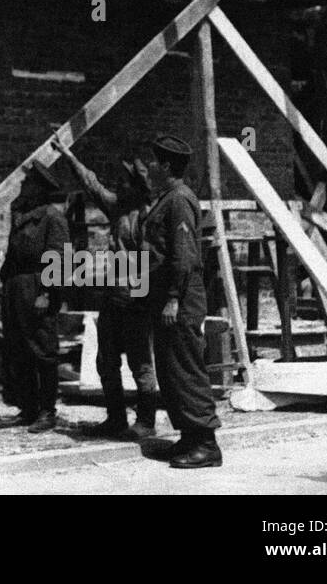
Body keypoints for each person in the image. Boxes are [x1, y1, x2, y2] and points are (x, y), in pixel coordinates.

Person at [54, 139, 159, 439]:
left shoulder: (146, 216)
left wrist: (143, 298)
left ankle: (146, 422)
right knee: (106, 361)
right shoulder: (118, 208)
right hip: (113, 295)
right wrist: (68, 154)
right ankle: (116, 418)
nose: (118, 185)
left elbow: (151, 262)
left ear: (136, 184)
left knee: (140, 363)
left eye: (124, 181)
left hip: (135, 295)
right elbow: (91, 184)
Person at [142, 133, 222, 468]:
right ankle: (189, 438)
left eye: (153, 162)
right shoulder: (167, 198)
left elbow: (185, 256)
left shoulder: (179, 200)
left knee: (186, 369)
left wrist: (173, 298)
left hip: (181, 299)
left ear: (166, 165)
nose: (148, 167)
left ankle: (206, 444)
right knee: (171, 371)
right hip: (165, 297)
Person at [0, 160, 70, 432]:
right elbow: (11, 252)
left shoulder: (52, 217)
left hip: (38, 286)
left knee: (42, 351)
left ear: (38, 189)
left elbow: (59, 260)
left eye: (27, 183)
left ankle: (47, 411)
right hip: (16, 287)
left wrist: (47, 294)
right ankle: (27, 408)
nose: (22, 186)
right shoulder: (20, 213)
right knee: (18, 350)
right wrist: (6, 282)